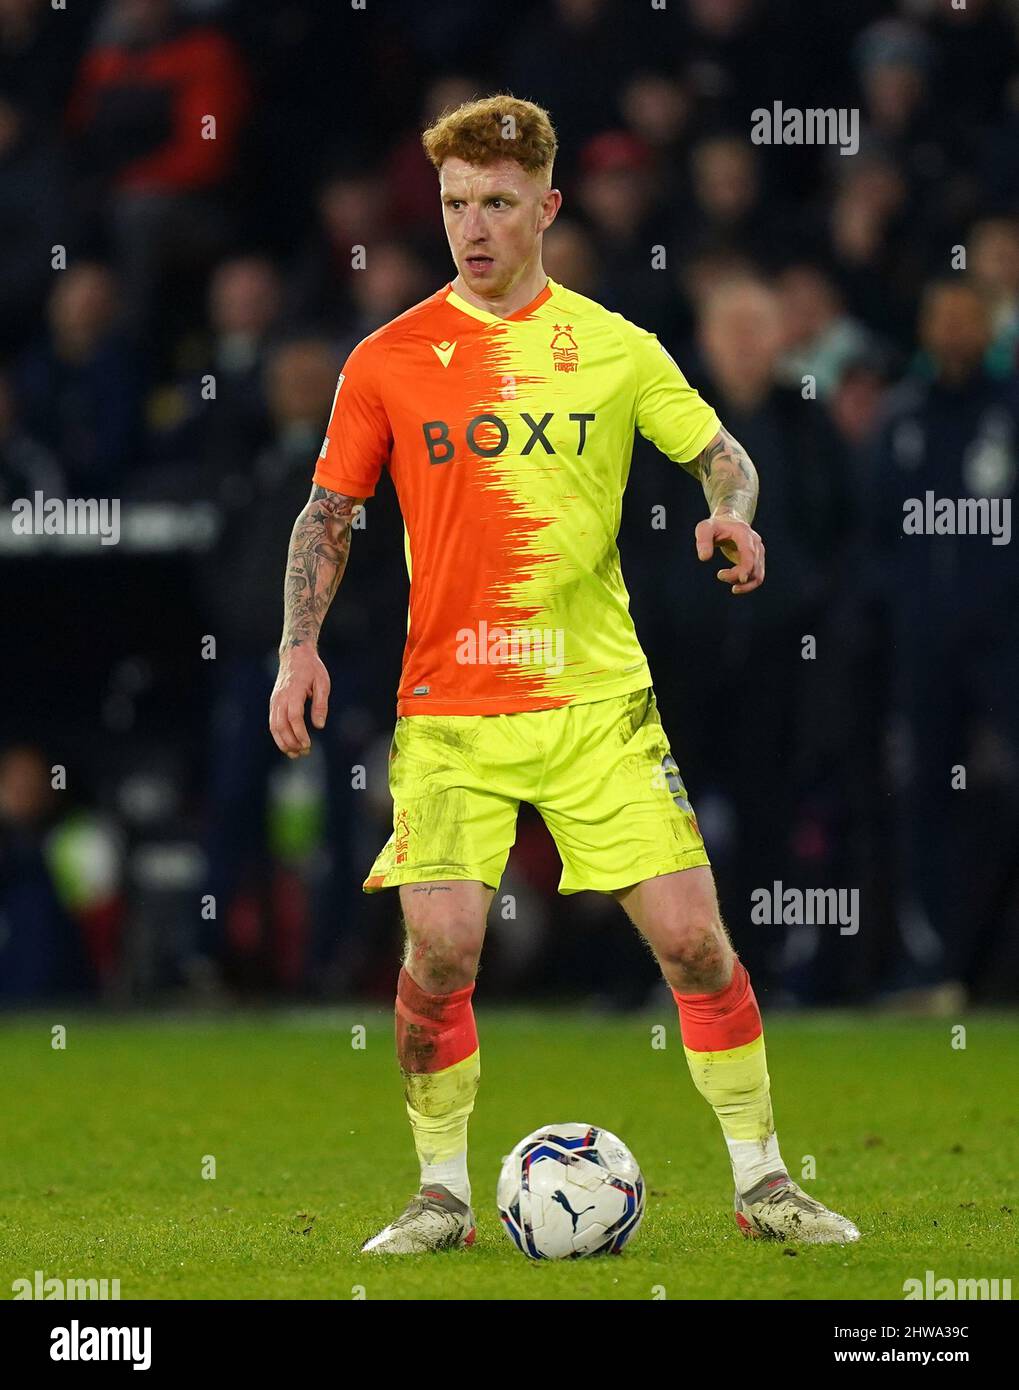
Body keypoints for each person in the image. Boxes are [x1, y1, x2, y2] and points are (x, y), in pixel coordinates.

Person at [268, 95, 860, 1252]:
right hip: (448, 708)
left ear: (546, 206)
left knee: (695, 941)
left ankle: (762, 1183)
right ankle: (442, 1193)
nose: (471, 227)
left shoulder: (615, 347)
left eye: (495, 203)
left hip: (596, 705)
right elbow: (327, 513)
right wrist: (297, 645)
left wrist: (731, 518)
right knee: (439, 953)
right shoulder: (386, 358)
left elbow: (722, 456)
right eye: (452, 204)